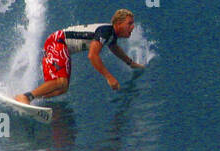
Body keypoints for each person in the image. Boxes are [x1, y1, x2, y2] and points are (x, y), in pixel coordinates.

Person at [14, 9, 144, 103]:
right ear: (118, 24)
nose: (132, 27)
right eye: (129, 23)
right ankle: (27, 97)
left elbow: (115, 48)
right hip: (58, 41)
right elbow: (92, 55)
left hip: (60, 45)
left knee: (62, 88)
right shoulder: (106, 31)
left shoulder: (111, 36)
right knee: (61, 81)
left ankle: (27, 98)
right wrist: (109, 77)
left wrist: (131, 63)